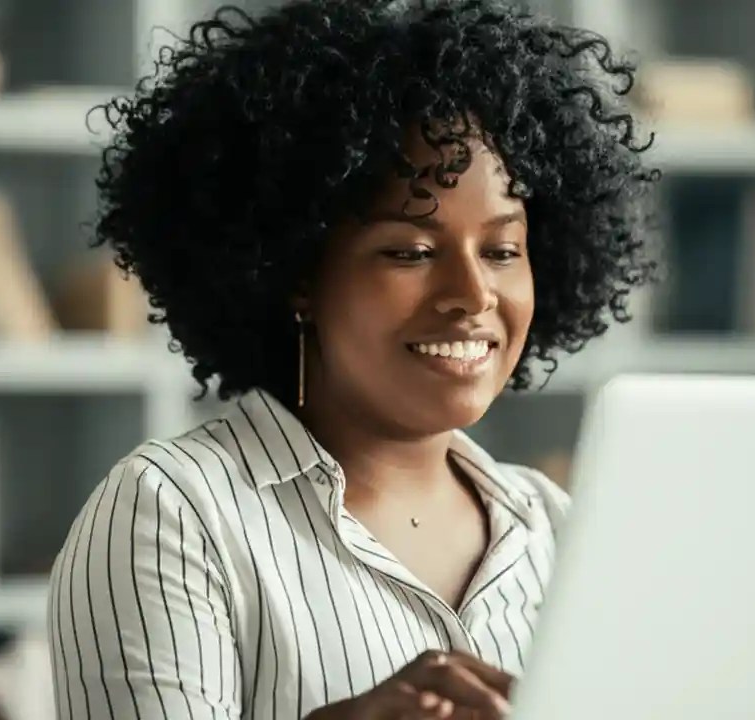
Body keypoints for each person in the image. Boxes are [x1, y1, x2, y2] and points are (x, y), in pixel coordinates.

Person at [47, 0, 657, 717]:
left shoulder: (558, 529)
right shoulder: (175, 513)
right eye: (410, 251)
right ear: (295, 273)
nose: (471, 295)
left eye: (501, 251)